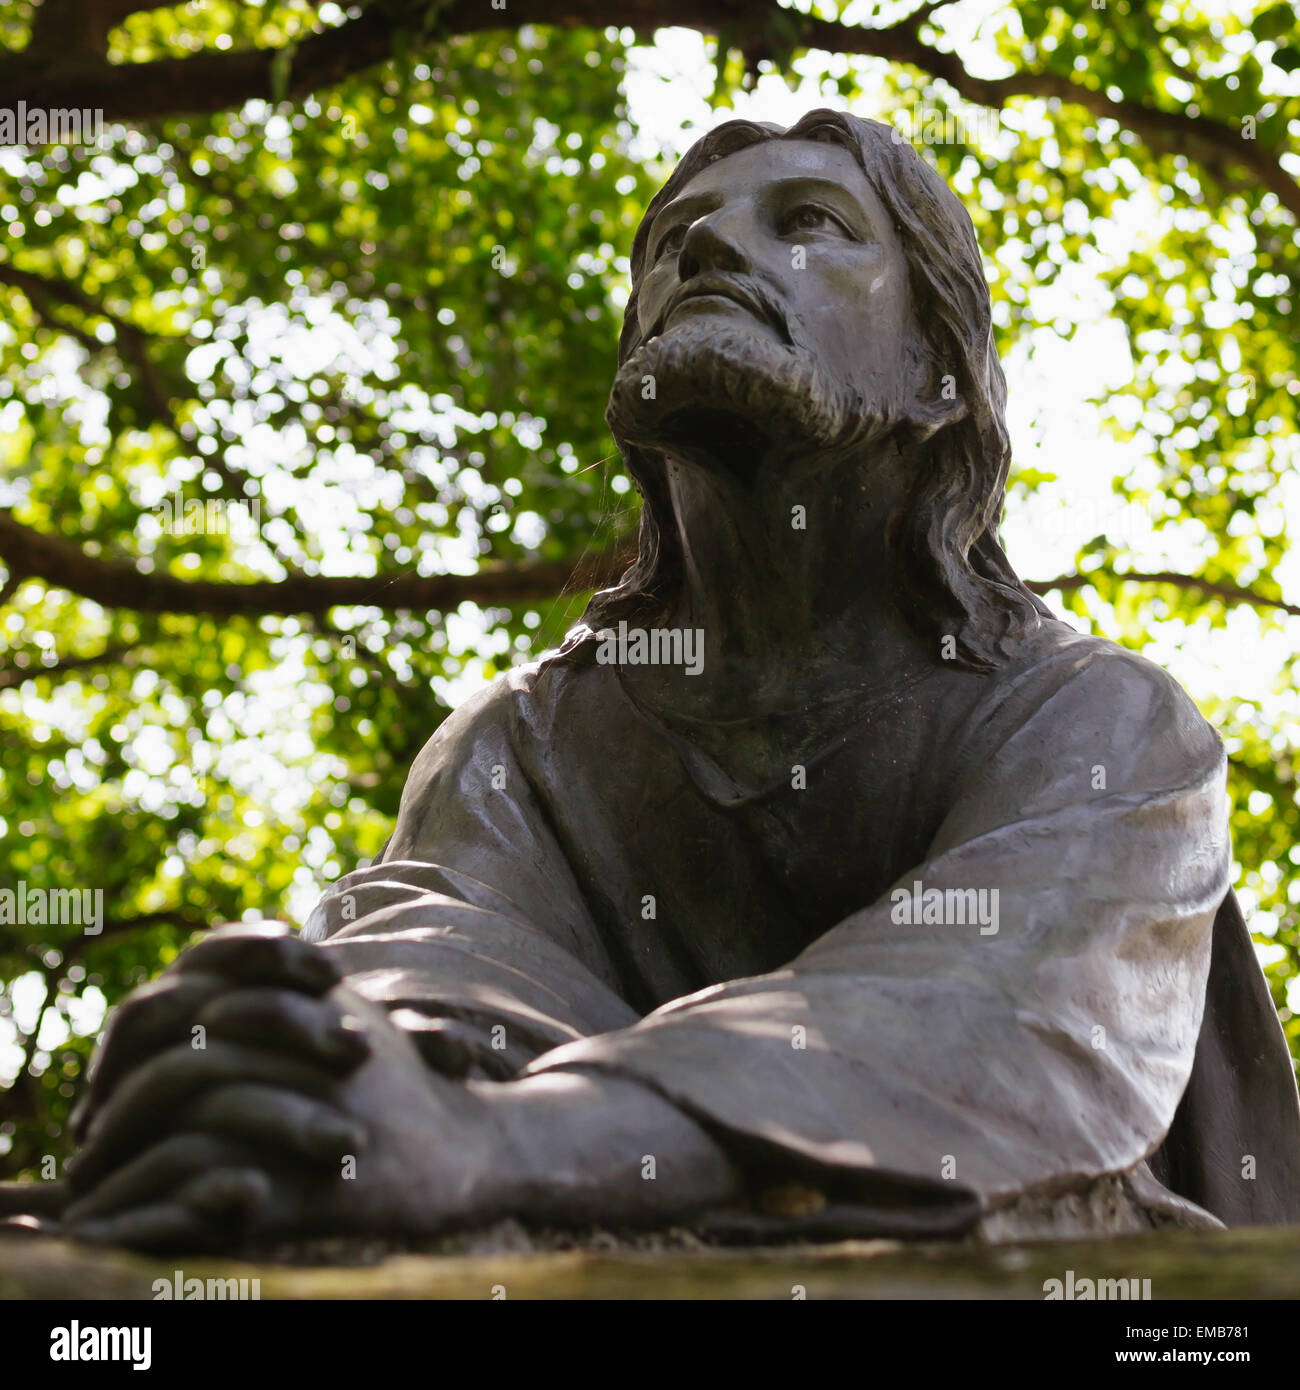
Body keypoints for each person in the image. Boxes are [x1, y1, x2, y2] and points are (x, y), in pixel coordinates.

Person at [43, 109, 1300, 1251]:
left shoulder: (1095, 721)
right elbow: (442, 961)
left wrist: (497, 1143)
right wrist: (307, 1070)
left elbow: (993, 1020)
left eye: (806, 224)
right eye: (675, 243)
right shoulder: (522, 745)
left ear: (936, 374)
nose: (705, 256)